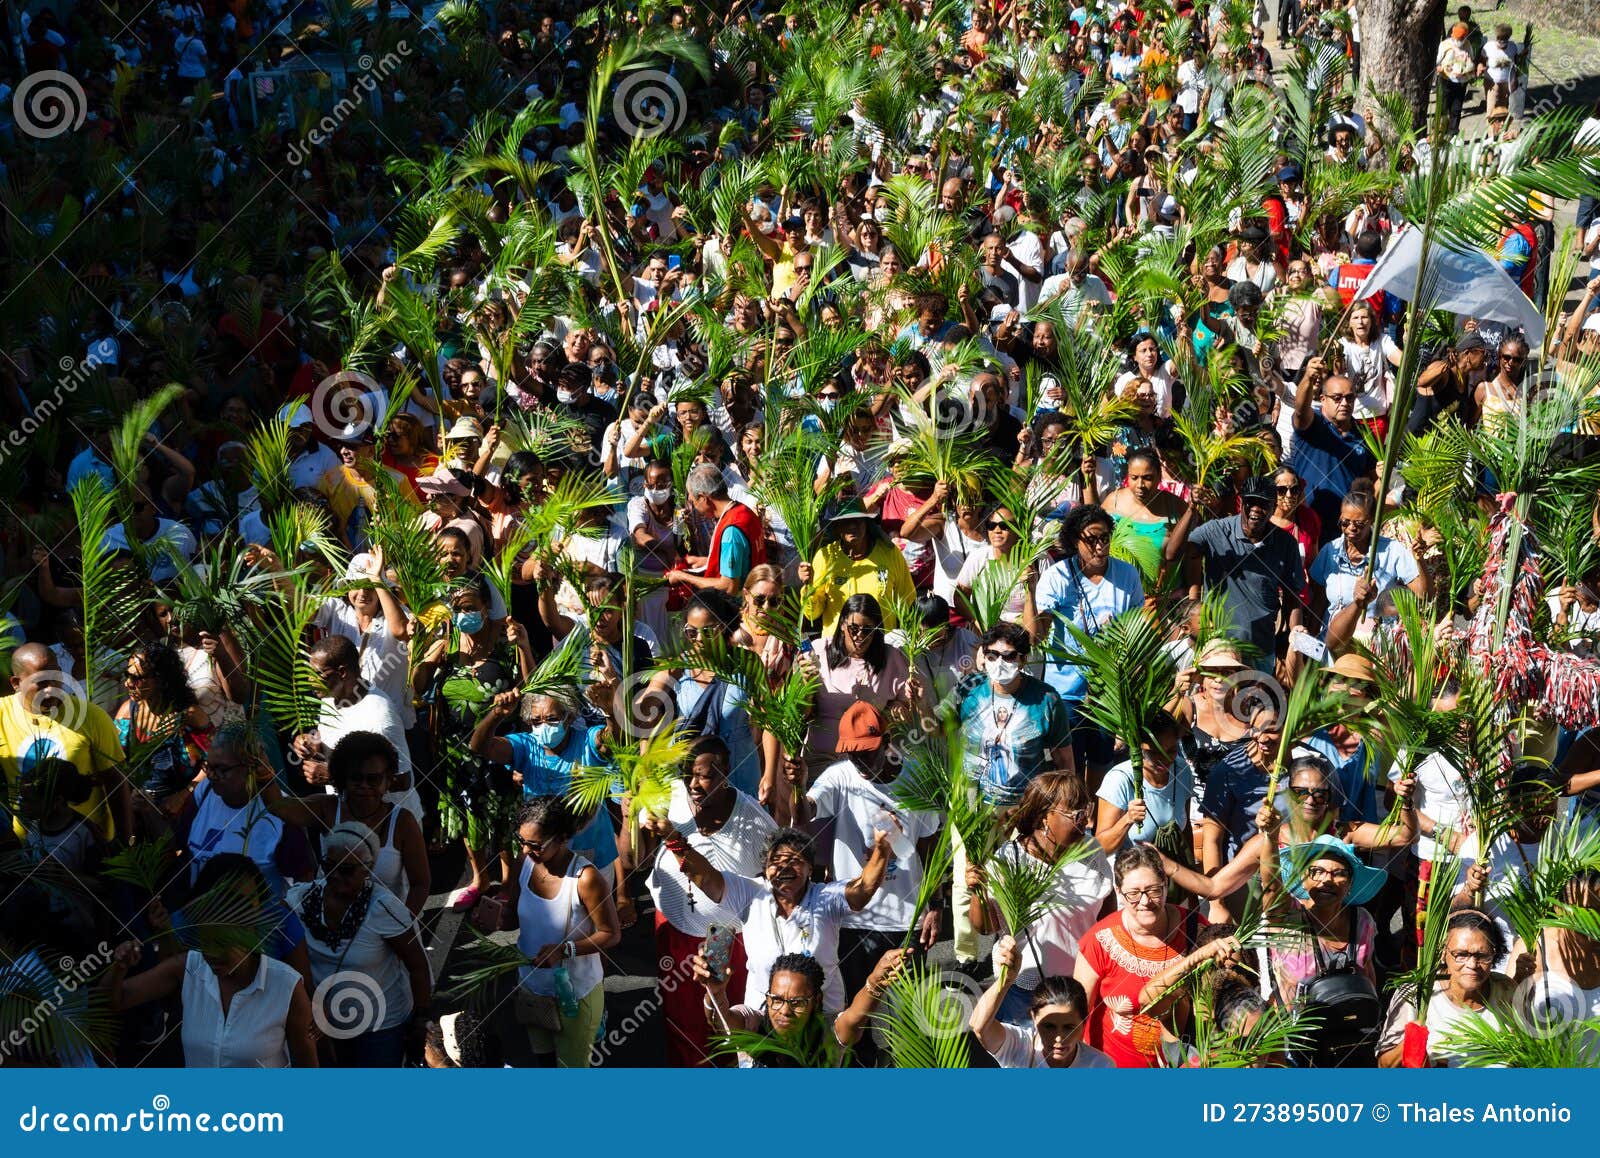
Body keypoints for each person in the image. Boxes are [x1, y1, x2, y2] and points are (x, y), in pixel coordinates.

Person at [641, 736, 776, 1066]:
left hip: (726, 938)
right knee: (681, 1023)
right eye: (688, 774)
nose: (694, 784)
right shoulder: (668, 800)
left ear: (726, 772)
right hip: (674, 930)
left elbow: (779, 878)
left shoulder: (757, 822)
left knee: (726, 1023)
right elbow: (635, 859)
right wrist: (636, 820)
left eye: (704, 775)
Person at [659, 825, 889, 1016]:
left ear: (810, 867)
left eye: (794, 860)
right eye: (775, 861)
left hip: (823, 1015)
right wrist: (672, 839)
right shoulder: (750, 893)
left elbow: (862, 890)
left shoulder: (826, 897)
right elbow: (706, 877)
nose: (784, 867)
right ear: (765, 869)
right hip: (761, 1014)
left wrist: (882, 849)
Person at [800, 702, 943, 996]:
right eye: (852, 755)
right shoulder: (839, 777)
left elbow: (929, 847)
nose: (859, 763)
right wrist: (795, 783)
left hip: (906, 918)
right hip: (853, 917)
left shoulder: (918, 777)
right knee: (855, 1010)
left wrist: (936, 905)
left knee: (909, 1013)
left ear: (887, 743)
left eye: (866, 754)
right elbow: (803, 812)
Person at [106, 878, 319, 1069]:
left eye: (222, 944)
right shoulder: (189, 966)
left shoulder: (287, 986)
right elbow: (116, 999)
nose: (212, 955)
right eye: (205, 944)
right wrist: (120, 967)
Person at [474, 797, 621, 1068]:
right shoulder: (525, 862)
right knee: (542, 1062)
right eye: (521, 841)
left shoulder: (585, 879)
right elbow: (514, 916)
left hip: (574, 997)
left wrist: (565, 949)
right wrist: (495, 920)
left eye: (536, 845)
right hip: (533, 990)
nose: (527, 850)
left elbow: (611, 933)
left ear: (563, 838)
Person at [969, 772, 1113, 1021]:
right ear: (1044, 817)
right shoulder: (1009, 860)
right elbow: (986, 926)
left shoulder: (1092, 851)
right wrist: (977, 891)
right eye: (1075, 814)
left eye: (1086, 810)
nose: (1086, 822)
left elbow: (1108, 913)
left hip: (1083, 986)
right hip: (1025, 992)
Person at [287, 822, 432, 1066]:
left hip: (380, 1028)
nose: (335, 876)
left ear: (369, 869)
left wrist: (420, 1020)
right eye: (329, 867)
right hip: (323, 1024)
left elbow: (417, 966)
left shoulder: (385, 907)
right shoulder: (302, 898)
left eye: (347, 870)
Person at [1026, 505, 1145, 781]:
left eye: (1104, 537)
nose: (1100, 546)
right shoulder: (1057, 577)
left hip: (1108, 692)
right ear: (1074, 540)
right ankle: (1075, 818)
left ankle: (1095, 821)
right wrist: (1029, 592)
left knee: (1103, 760)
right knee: (1068, 767)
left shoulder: (1127, 575)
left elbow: (1136, 631)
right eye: (1091, 539)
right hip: (1066, 691)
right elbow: (1035, 637)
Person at [266, 731, 430, 917]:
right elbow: (278, 807)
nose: (364, 786)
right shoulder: (326, 808)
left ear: (388, 780)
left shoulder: (403, 822)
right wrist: (261, 769)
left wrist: (402, 924)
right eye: (356, 778)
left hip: (383, 934)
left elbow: (420, 884)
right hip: (328, 930)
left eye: (373, 779)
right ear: (342, 778)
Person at [1073, 844, 1209, 1067]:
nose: (1145, 902)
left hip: (1185, 1065)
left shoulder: (1196, 928)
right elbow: (1076, 1017)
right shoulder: (1099, 941)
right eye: (1134, 894)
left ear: (1166, 885)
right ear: (1118, 892)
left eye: (1154, 890)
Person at [1186, 476, 1306, 668]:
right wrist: (1191, 509)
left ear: (1274, 506)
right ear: (1241, 501)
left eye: (1264, 504)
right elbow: (1173, 553)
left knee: (1257, 697)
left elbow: (1293, 597)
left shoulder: (1285, 543)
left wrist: (1293, 634)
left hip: (1261, 649)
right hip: (1219, 647)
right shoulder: (1217, 530)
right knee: (1217, 695)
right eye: (1251, 502)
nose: (1256, 509)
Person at [1378, 910, 1516, 1067]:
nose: (1472, 965)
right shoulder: (1416, 994)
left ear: (1494, 953)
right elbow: (1384, 1065)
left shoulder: (1506, 990)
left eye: (1482, 955)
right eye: (1461, 955)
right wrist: (1411, 1041)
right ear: (1444, 953)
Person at [969, 939, 1114, 1068]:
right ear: (1034, 1017)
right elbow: (979, 1026)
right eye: (1049, 1026)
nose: (1059, 1038)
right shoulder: (1020, 1046)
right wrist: (1005, 982)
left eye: (1069, 1027)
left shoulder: (1100, 1065)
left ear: (1084, 1022)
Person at [799, 505, 916, 638]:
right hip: (838, 649)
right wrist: (808, 587)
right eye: (846, 521)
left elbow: (908, 601)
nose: (852, 526)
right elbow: (812, 614)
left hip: (881, 648)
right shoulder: (825, 556)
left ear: (867, 524)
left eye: (858, 520)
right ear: (837, 527)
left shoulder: (890, 554)